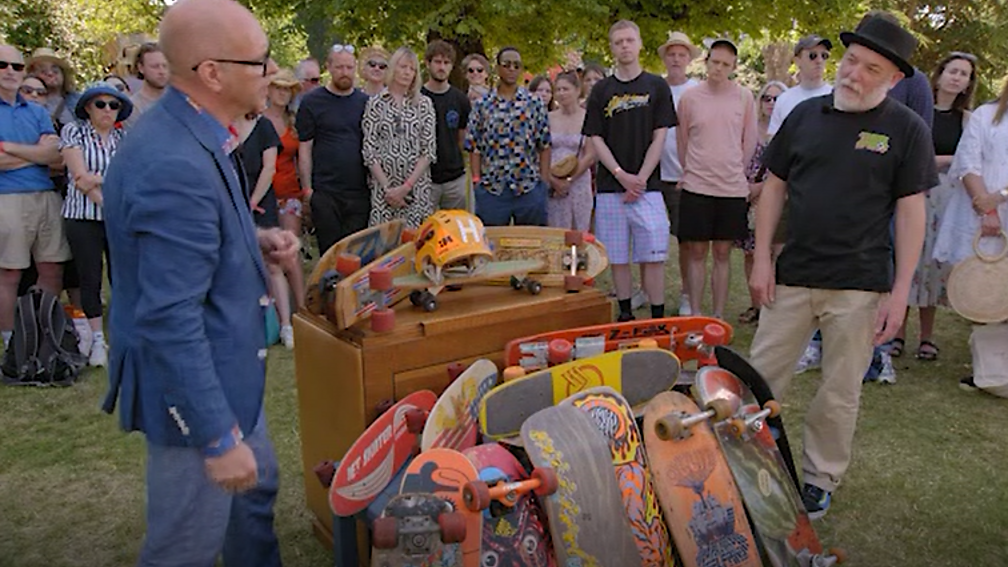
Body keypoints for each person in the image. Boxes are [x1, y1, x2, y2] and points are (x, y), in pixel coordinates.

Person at [101, 0, 293, 564]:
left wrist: (252, 242)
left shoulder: (193, 131)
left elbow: (181, 243)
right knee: (183, 546)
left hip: (226, 375)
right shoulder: (174, 160)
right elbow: (168, 316)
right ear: (212, 72)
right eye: (259, 61)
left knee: (253, 506)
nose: (271, 72)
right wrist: (215, 436)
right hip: (196, 394)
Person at [748, 13, 934, 518]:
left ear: (894, 79)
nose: (854, 74)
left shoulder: (907, 129)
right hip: (793, 275)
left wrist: (901, 292)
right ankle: (742, 464)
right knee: (758, 380)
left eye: (871, 69)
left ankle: (819, 478)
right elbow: (774, 188)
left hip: (860, 285)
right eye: (851, 61)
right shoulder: (804, 117)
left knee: (839, 390)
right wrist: (762, 258)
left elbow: (912, 210)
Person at [584, 20, 677, 322]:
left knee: (653, 257)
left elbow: (660, 135)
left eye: (629, 40)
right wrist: (621, 174)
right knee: (619, 257)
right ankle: (625, 314)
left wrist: (640, 178)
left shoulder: (657, 86)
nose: (624, 46)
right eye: (618, 42)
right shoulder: (601, 90)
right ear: (611, 48)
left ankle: (657, 318)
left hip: (648, 190)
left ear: (639, 45)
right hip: (612, 188)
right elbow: (596, 137)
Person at [891, 51, 977, 361]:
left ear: (968, 83)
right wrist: (947, 161)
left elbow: (969, 161)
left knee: (932, 268)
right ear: (939, 75)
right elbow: (915, 156)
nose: (956, 77)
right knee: (907, 261)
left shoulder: (968, 120)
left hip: (948, 200)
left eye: (964, 74)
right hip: (915, 193)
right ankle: (896, 332)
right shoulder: (918, 110)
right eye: (952, 71)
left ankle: (926, 337)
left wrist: (941, 162)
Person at [933, 76, 1008, 390]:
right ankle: (992, 373)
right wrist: (987, 208)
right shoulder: (985, 116)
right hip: (980, 217)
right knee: (985, 292)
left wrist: (1001, 195)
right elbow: (967, 162)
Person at [676, 38, 758, 319]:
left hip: (731, 188)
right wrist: (692, 170)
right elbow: (683, 141)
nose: (719, 68)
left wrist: (737, 170)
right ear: (707, 62)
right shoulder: (690, 98)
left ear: (733, 67)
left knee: (723, 253)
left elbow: (749, 140)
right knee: (696, 252)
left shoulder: (744, 97)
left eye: (725, 64)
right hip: (696, 186)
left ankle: (718, 316)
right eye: (715, 62)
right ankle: (697, 314)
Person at [0, 45, 68, 352]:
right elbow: (44, 154)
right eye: (3, 65)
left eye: (16, 66)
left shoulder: (37, 110)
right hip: (8, 198)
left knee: (52, 268)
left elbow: (57, 155)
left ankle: (46, 334)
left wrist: (9, 148)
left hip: (46, 197)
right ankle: (11, 341)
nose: (10, 71)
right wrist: (37, 155)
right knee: (10, 272)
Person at [59, 83, 133, 367]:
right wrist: (108, 195)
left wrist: (99, 178)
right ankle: (97, 340)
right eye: (100, 104)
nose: (107, 110)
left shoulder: (124, 138)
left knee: (122, 276)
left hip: (117, 219)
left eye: (113, 105)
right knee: (89, 278)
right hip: (83, 217)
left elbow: (130, 177)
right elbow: (79, 178)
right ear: (88, 107)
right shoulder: (74, 132)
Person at [296, 44, 370, 255]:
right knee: (330, 256)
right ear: (328, 67)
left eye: (349, 67)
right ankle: (329, 289)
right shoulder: (312, 103)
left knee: (356, 255)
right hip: (325, 192)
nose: (344, 72)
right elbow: (305, 148)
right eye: (339, 67)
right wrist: (308, 190)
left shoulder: (365, 103)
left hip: (359, 192)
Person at [465, 46, 550, 226]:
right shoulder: (482, 105)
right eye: (507, 64)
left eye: (516, 65)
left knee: (531, 247)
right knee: (492, 248)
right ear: (497, 68)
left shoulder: (534, 103)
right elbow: (474, 146)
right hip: (492, 190)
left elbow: (544, 145)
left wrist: (543, 182)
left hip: (528, 189)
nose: (512, 69)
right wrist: (476, 181)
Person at [362, 47, 436, 228]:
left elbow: (429, 151)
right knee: (385, 247)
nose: (407, 73)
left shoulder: (424, 104)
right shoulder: (376, 104)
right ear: (393, 68)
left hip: (415, 190)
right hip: (384, 190)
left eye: (412, 69)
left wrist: (406, 187)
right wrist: (389, 189)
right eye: (403, 67)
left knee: (415, 245)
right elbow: (369, 149)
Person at [656, 31, 700, 316]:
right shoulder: (655, 88)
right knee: (651, 240)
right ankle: (649, 290)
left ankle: (686, 294)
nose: (676, 59)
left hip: (685, 176)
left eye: (681, 54)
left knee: (686, 241)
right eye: (671, 54)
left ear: (688, 59)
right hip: (653, 176)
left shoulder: (697, 91)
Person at [736, 81, 787, 325]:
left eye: (777, 99)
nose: (771, 103)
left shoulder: (789, 130)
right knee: (751, 253)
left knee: (777, 254)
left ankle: (773, 307)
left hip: (779, 199)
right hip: (749, 200)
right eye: (767, 98)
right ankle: (756, 305)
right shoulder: (750, 128)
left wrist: (762, 189)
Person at [263, 68, 307, 314]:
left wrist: (306, 189)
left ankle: (301, 308)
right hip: (266, 194)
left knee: (291, 251)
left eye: (286, 90)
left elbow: (302, 159)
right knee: (273, 254)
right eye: (278, 88)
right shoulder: (257, 118)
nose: (282, 94)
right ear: (269, 90)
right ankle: (281, 314)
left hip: (290, 191)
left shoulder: (294, 122)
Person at [422, 40, 471, 211]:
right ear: (428, 63)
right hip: (425, 179)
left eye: (446, 62)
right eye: (437, 62)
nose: (442, 67)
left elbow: (461, 137)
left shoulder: (460, 99)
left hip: (454, 178)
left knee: (454, 230)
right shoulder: (416, 98)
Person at [546, 71, 595, 230]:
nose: (561, 93)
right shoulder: (548, 118)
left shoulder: (588, 118)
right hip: (552, 182)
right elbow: (539, 153)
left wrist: (568, 180)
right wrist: (554, 181)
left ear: (577, 90)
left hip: (579, 182)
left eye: (565, 89)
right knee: (555, 233)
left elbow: (590, 155)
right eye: (558, 90)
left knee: (579, 232)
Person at [768, 35, 834, 137]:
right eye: (813, 56)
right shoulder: (784, 100)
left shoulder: (836, 97)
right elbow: (773, 141)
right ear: (797, 60)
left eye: (824, 56)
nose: (819, 61)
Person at [26, 48, 80, 130]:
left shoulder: (78, 100)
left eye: (55, 70)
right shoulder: (28, 101)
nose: (50, 73)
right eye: (43, 71)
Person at [128, 43, 170, 123]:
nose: (162, 71)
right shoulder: (134, 107)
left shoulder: (181, 100)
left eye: (165, 66)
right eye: (155, 66)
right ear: (141, 68)